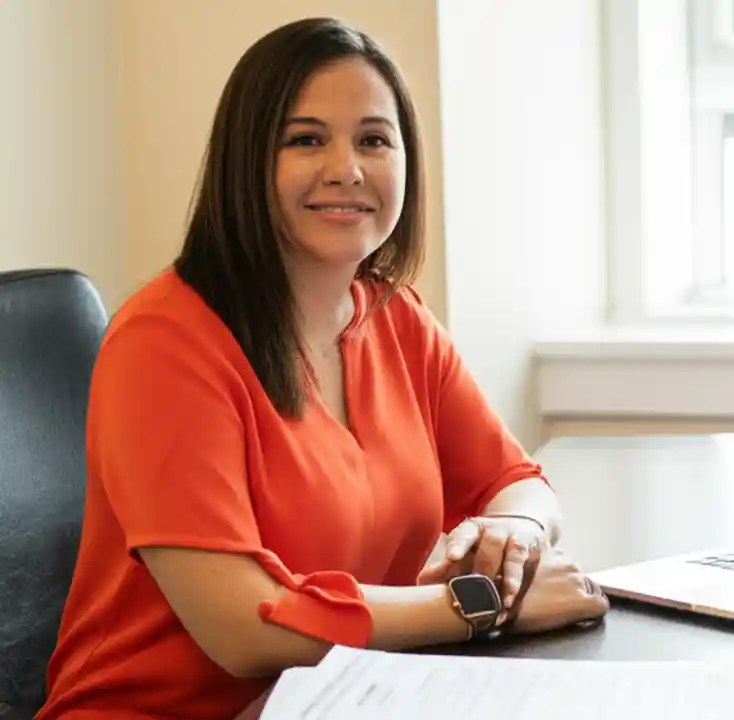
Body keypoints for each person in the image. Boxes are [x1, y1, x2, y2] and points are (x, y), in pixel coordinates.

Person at [38, 17, 609, 719]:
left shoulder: (395, 319)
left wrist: (515, 538)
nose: (348, 169)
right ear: (247, 161)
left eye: (374, 139)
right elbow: (243, 627)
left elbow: (516, 482)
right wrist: (481, 606)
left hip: (342, 695)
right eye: (306, 139)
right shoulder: (163, 344)